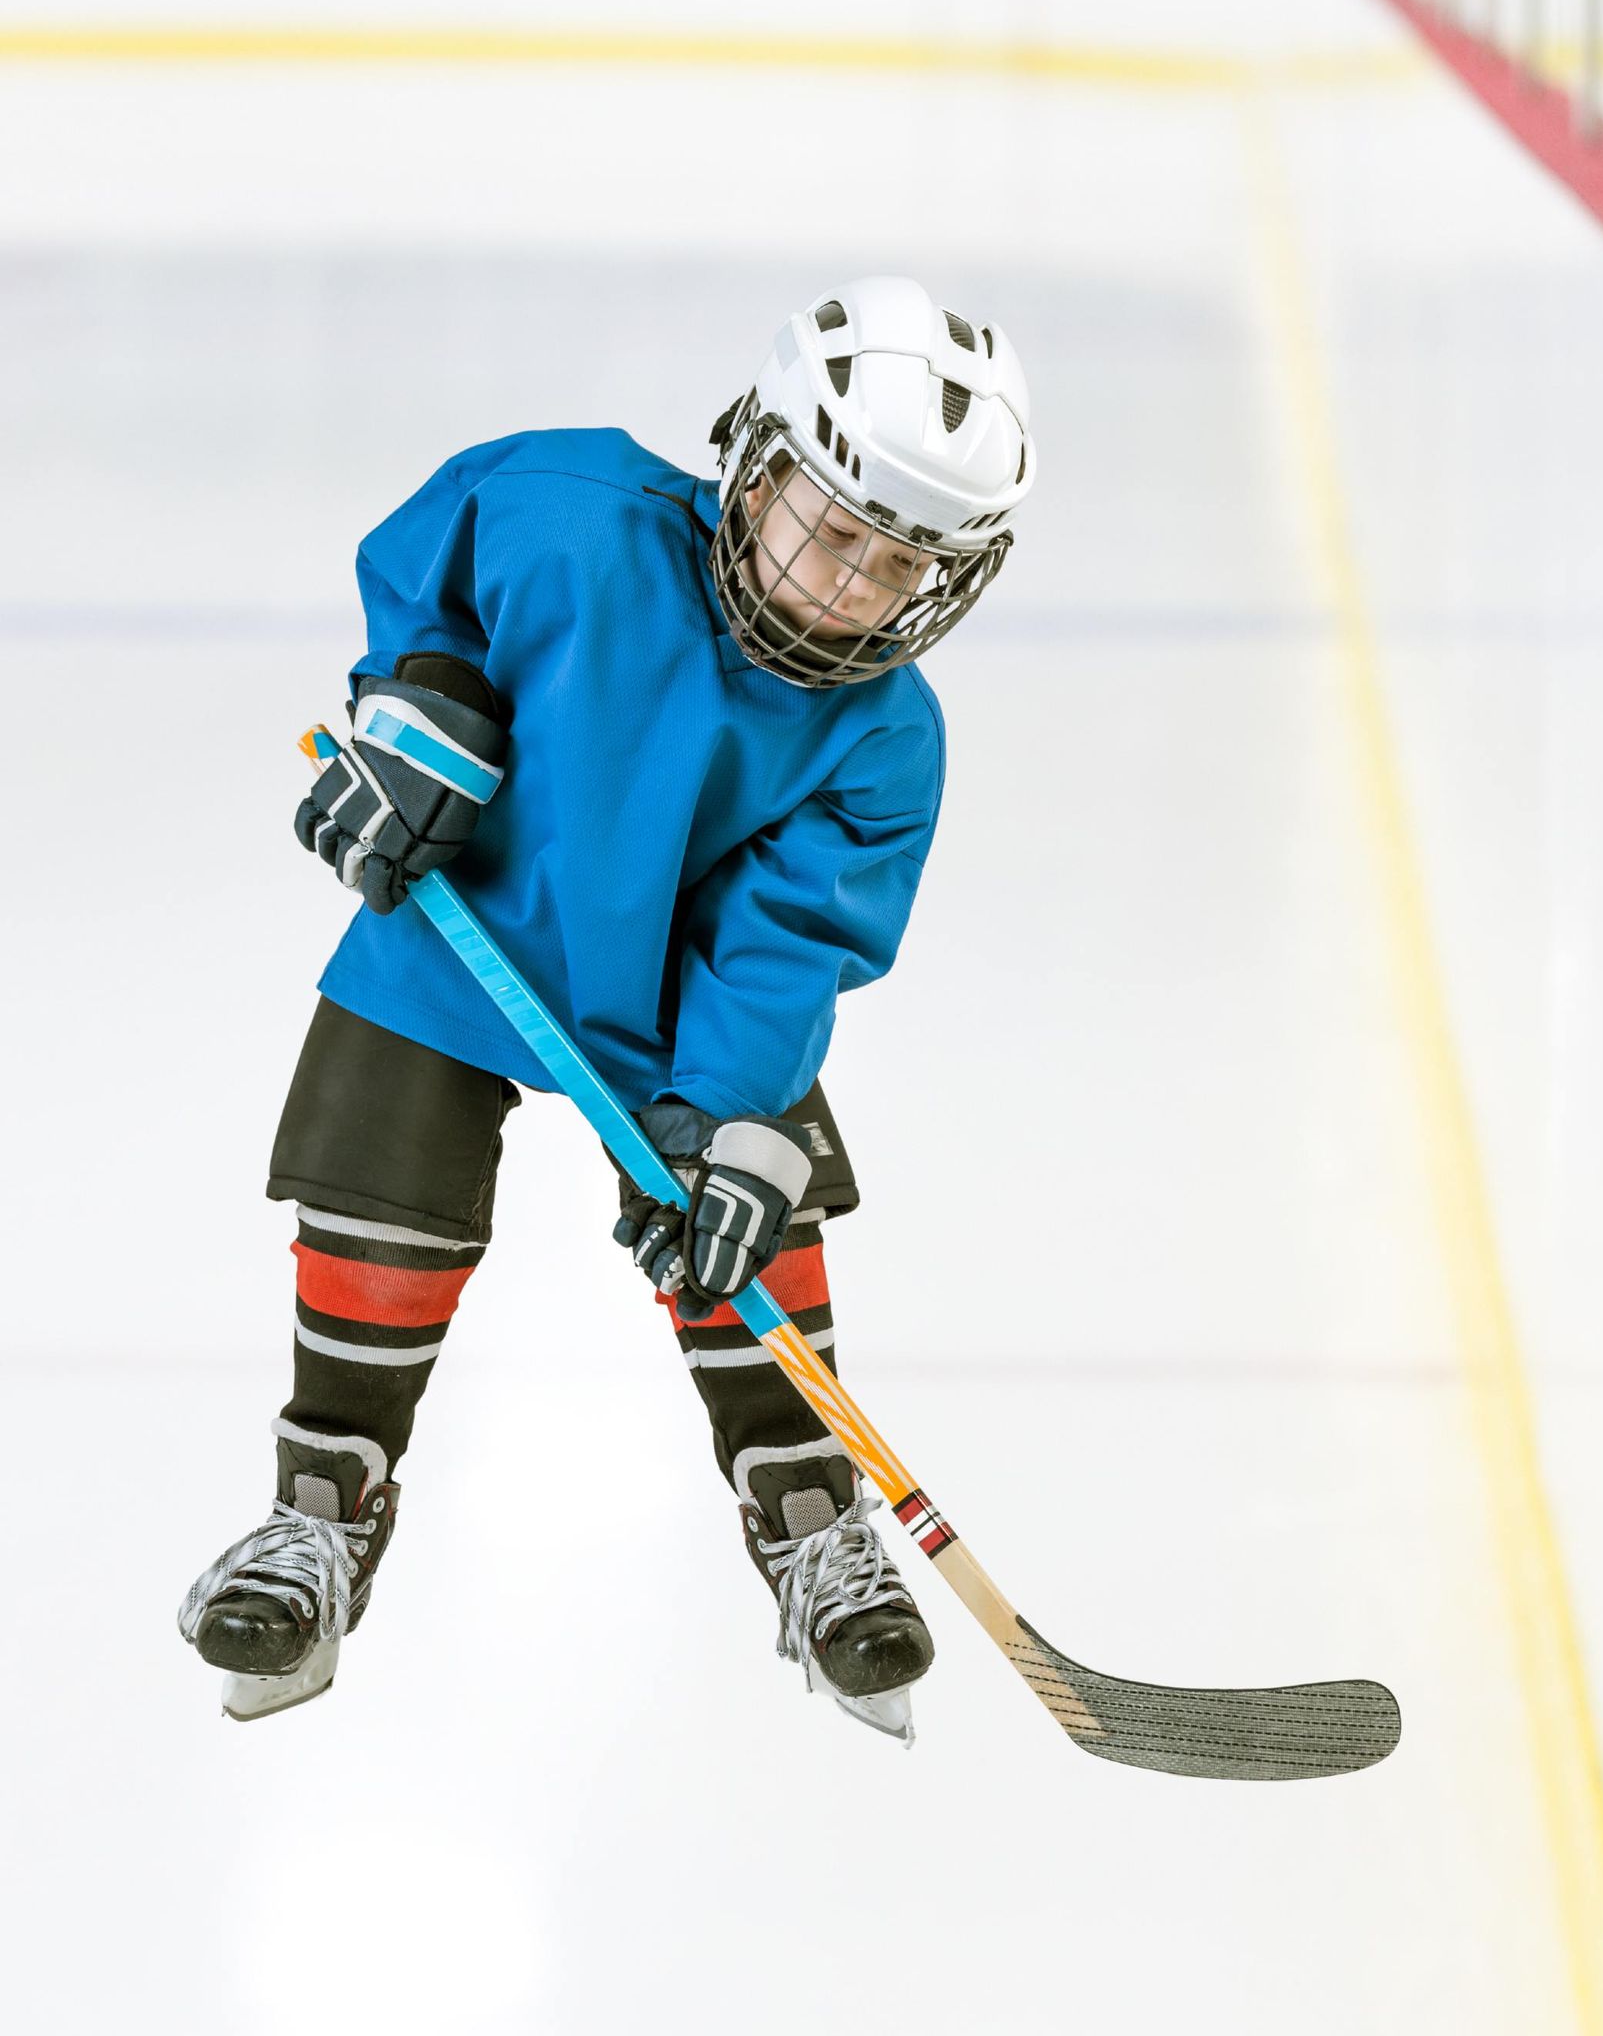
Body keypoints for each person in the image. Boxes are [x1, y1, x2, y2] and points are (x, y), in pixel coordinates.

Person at [176, 276, 1033, 1737]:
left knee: (750, 1203)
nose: (850, 594)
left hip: (671, 999)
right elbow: (423, 567)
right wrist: (420, 694)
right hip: (467, 919)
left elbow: (786, 945)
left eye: (900, 570)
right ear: (757, 467)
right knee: (382, 1171)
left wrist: (727, 1114)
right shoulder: (561, 508)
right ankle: (322, 1509)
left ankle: (811, 1519)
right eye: (834, 535)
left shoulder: (886, 738)